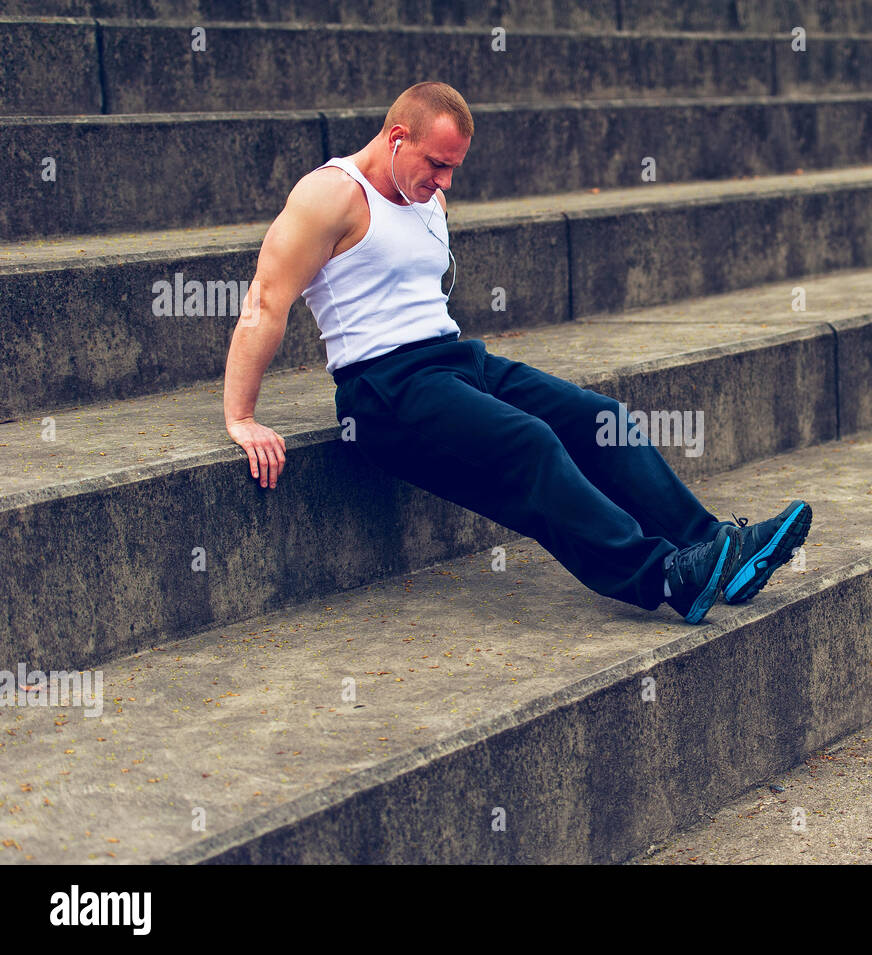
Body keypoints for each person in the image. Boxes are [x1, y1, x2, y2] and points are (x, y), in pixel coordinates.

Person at [223, 81, 811, 623]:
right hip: (383, 390)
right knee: (529, 443)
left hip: (453, 362)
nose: (446, 182)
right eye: (437, 164)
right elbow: (265, 302)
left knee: (599, 418)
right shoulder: (330, 195)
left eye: (454, 168)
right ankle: (663, 576)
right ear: (397, 137)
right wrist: (241, 417)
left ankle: (710, 549)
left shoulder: (426, 192)